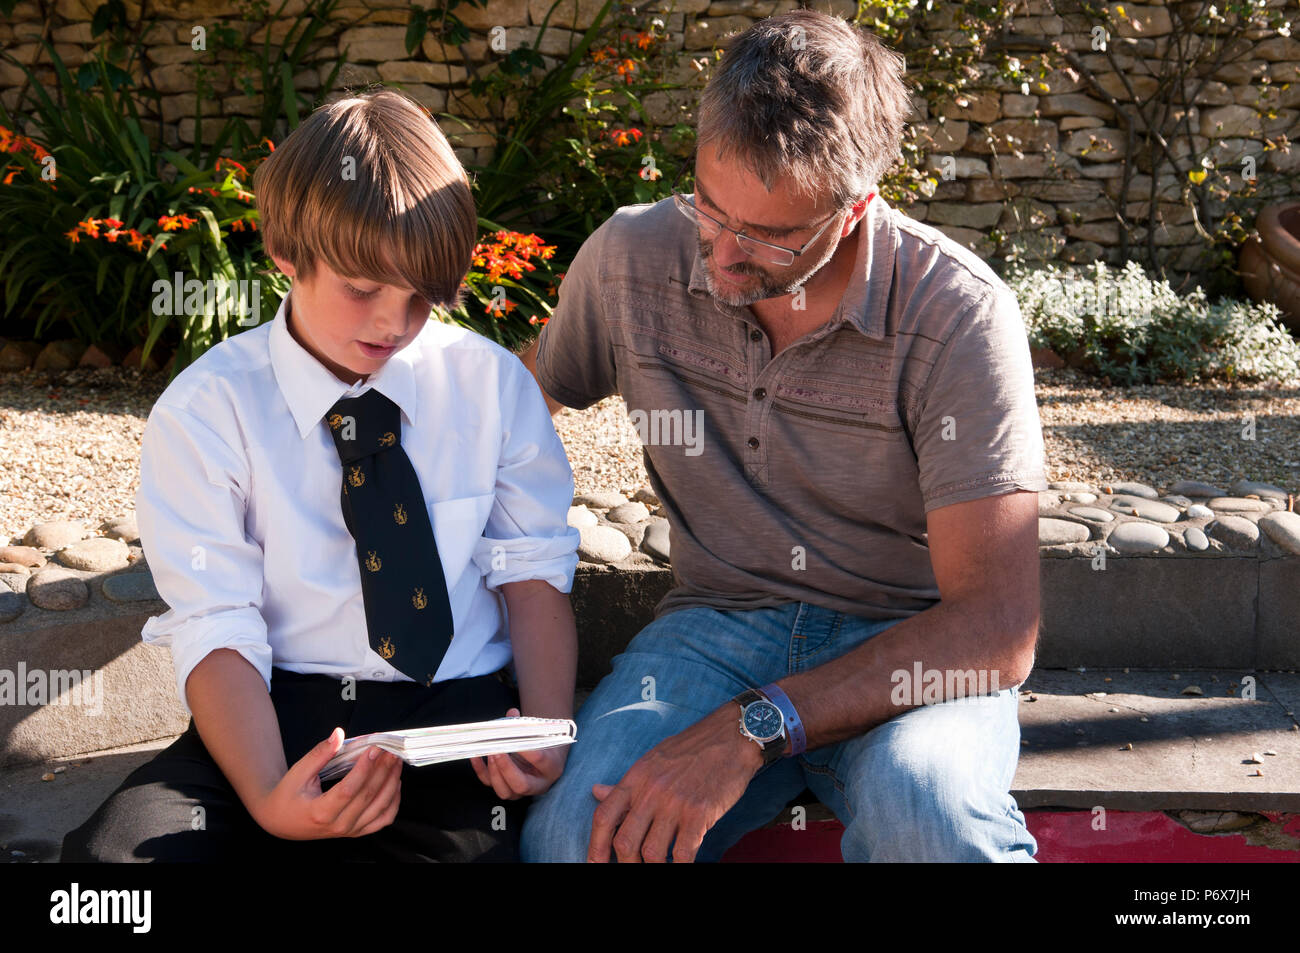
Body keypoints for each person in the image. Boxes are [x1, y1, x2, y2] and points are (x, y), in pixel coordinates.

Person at [518, 10, 1047, 862]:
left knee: (933, 816)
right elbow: (510, 407)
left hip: (907, 648)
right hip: (714, 630)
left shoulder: (959, 316)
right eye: (710, 207)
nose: (722, 256)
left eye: (768, 234)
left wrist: (758, 725)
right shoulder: (630, 258)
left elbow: (995, 628)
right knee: (574, 836)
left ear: (857, 207)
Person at [61, 89, 580, 863]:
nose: (391, 325)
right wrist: (271, 796)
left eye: (421, 297)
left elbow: (533, 574)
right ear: (286, 253)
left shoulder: (491, 386)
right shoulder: (208, 409)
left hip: (452, 731)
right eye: (363, 288)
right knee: (111, 867)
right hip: (268, 713)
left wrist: (544, 736)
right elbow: (217, 622)